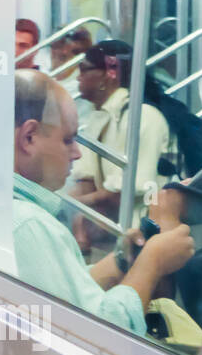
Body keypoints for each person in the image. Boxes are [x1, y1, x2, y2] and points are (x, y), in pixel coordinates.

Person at [12, 70, 195, 335]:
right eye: (68, 140)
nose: (77, 153)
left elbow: (69, 291)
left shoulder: (7, 211)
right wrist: (153, 262)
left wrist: (122, 261)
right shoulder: (29, 225)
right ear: (29, 137)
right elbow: (101, 334)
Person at [70, 38, 172, 250]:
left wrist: (76, 207)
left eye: (83, 69)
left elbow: (126, 189)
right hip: (113, 225)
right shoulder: (99, 119)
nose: (78, 76)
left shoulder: (143, 117)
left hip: (143, 228)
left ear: (108, 75)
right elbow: (85, 179)